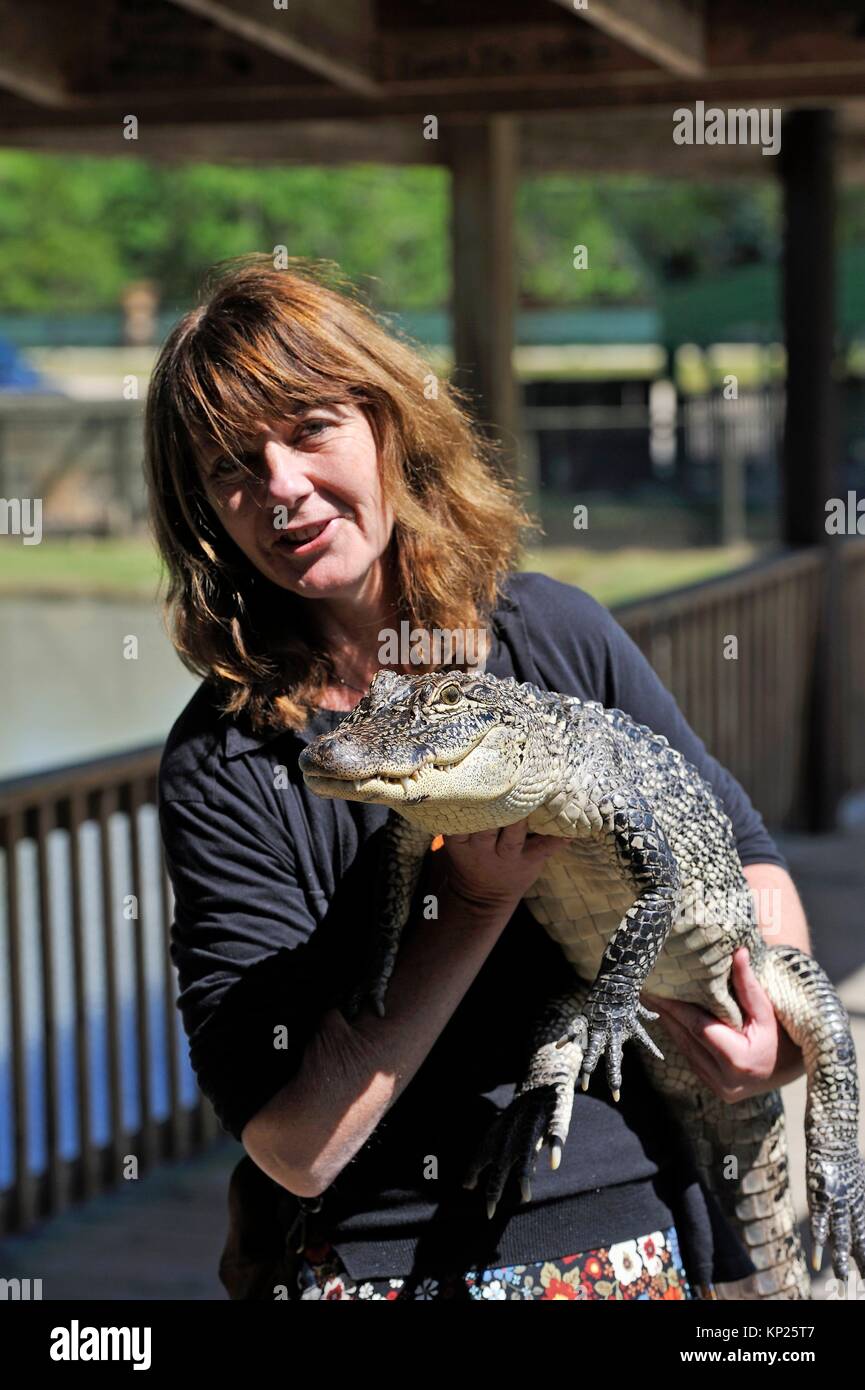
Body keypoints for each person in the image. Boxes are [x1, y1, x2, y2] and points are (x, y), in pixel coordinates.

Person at [145, 253, 812, 1302]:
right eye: (231, 466)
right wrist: (472, 900)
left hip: (625, 1227)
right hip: (370, 1260)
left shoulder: (554, 633)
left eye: (310, 427)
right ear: (203, 512)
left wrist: (758, 1033)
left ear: (384, 426)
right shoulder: (224, 761)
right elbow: (293, 1148)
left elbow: (747, 857)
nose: (277, 487)